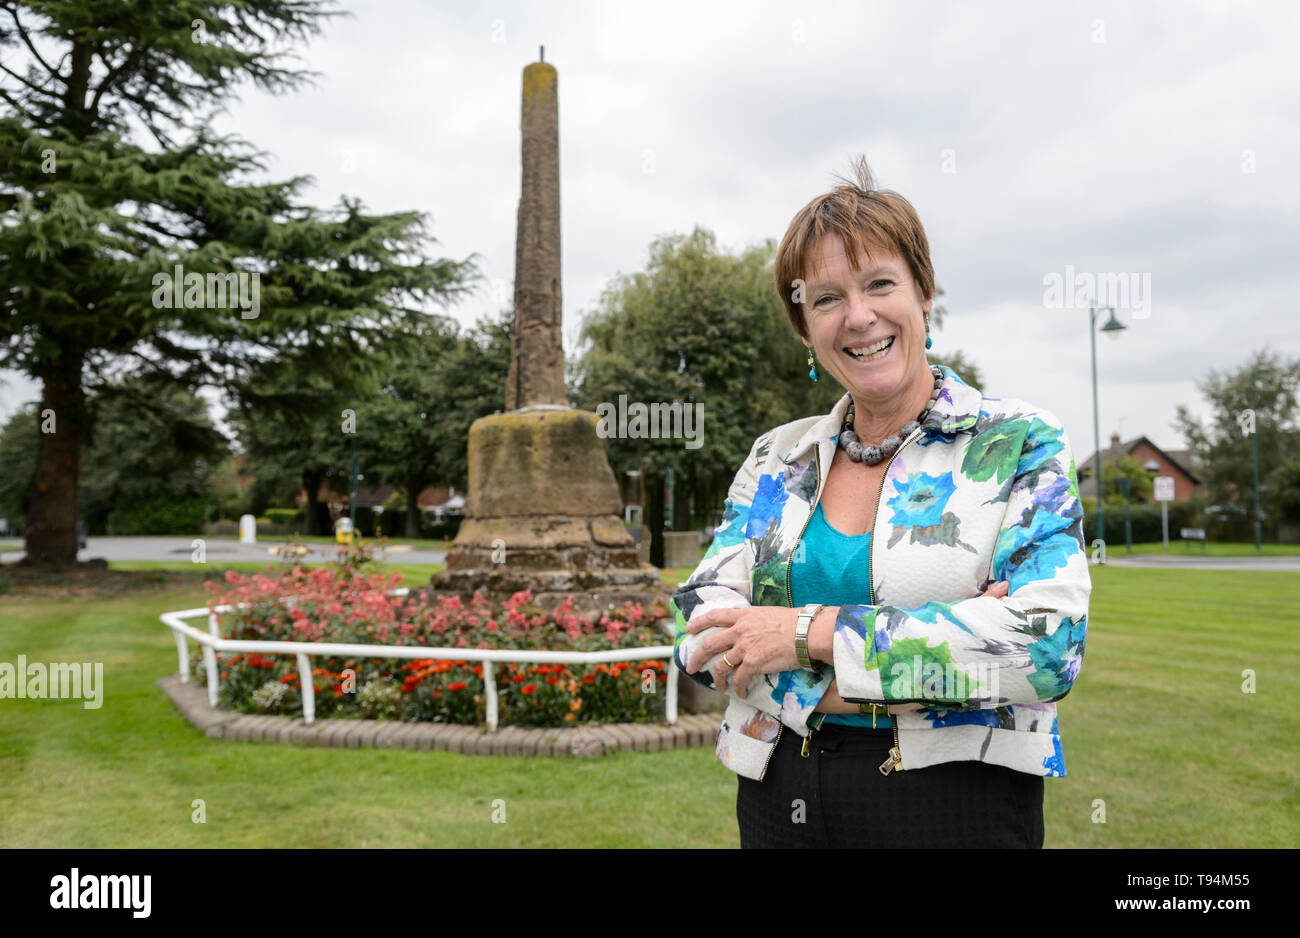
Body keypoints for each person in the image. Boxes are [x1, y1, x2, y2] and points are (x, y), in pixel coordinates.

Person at [669, 156, 1091, 849]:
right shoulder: (776, 457)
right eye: (826, 298)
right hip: (779, 799)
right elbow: (698, 619)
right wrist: (955, 634)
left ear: (924, 293)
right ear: (804, 328)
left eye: (880, 284)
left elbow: (1046, 647)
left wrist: (803, 634)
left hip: (958, 807)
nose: (858, 317)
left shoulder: (1020, 442)